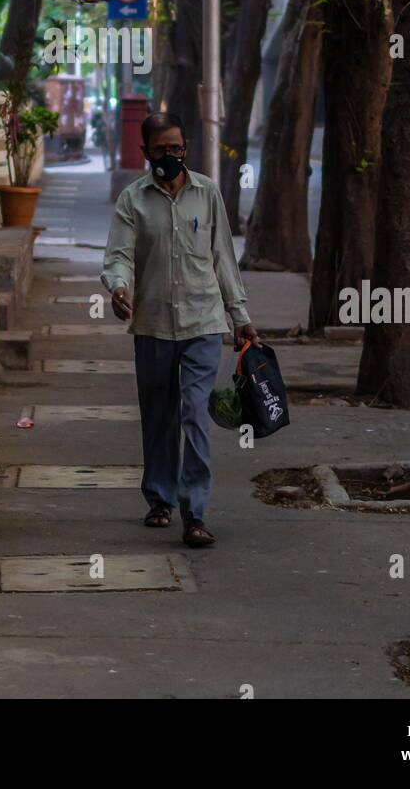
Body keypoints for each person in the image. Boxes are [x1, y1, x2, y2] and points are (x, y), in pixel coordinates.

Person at [101, 111, 259, 548]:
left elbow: (223, 258)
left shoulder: (207, 193)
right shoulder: (133, 200)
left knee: (195, 414)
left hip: (203, 323)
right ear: (145, 152)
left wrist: (239, 316)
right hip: (151, 324)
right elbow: (118, 256)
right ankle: (160, 499)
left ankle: (195, 511)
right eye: (160, 149)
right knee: (159, 417)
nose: (169, 156)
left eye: (176, 148)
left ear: (185, 149)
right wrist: (118, 288)